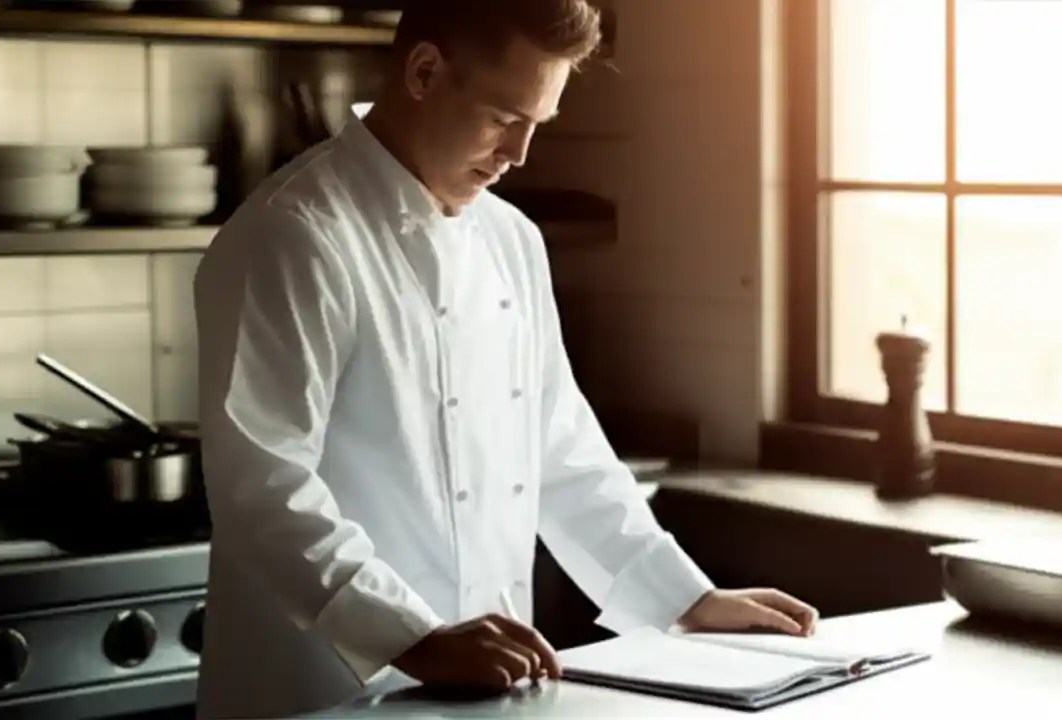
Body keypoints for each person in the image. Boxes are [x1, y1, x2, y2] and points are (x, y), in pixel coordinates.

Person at [192, 1, 818, 718]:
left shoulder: (512, 241)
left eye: (536, 124)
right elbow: (263, 488)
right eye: (502, 118)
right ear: (423, 72)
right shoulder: (294, 236)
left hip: (486, 692)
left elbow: (560, 451)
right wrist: (412, 636)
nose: (519, 154)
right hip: (316, 694)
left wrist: (686, 599)